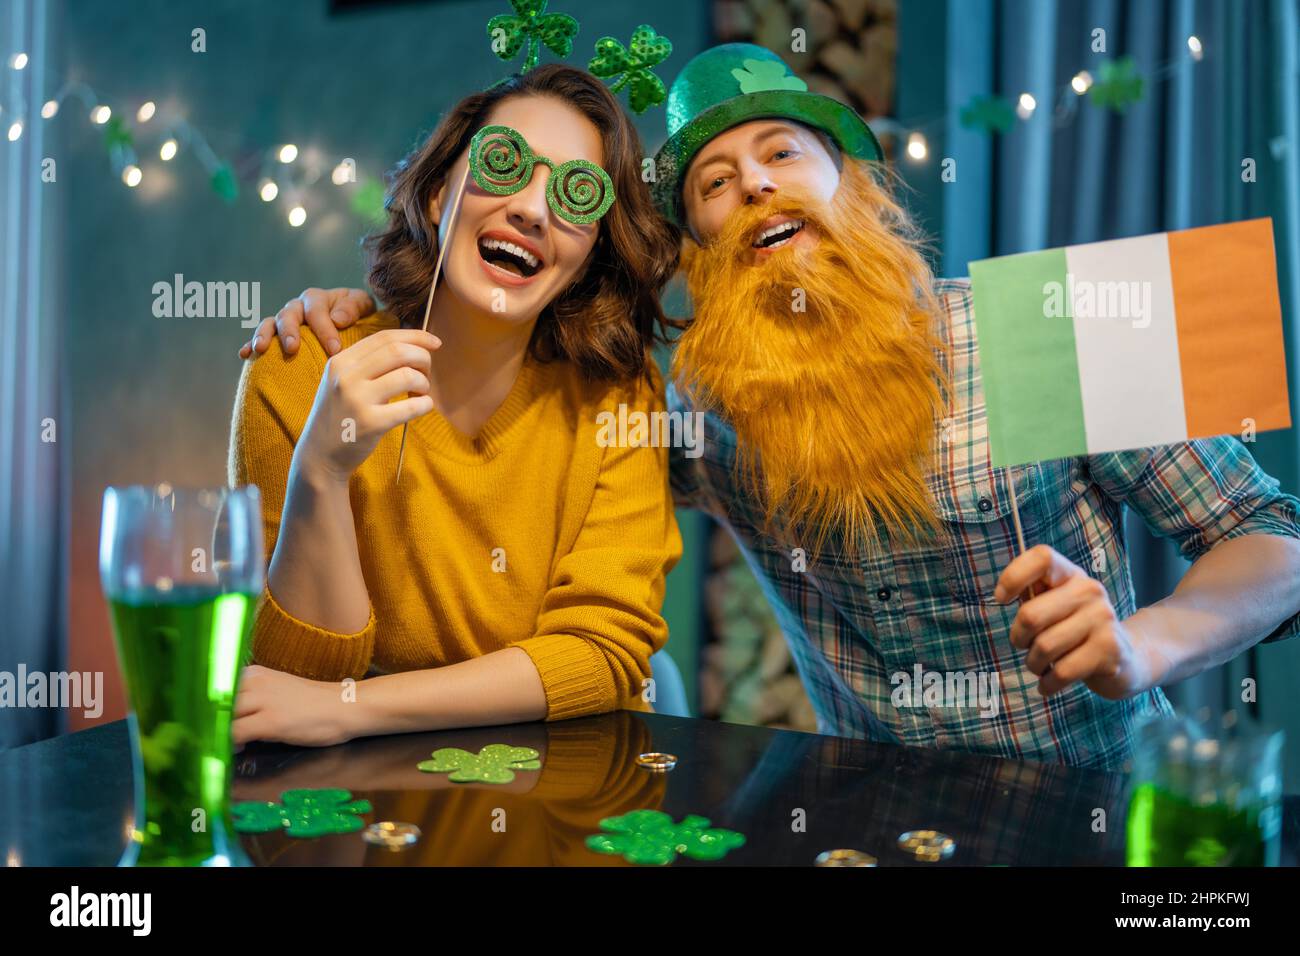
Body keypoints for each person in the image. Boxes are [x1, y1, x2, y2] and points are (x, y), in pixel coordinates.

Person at [246, 44, 1300, 770]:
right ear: (699, 254)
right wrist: (360, 305)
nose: (753, 185)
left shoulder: (1058, 321)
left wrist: (1143, 642)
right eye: (712, 182)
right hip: (863, 809)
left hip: (1106, 809)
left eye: (783, 153)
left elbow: (1275, 538)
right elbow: (521, 418)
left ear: (857, 188)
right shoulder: (696, 413)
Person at [227, 63, 682, 748]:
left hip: (558, 799)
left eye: (576, 193)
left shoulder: (621, 395)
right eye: (504, 164)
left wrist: (354, 708)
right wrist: (321, 472)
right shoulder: (299, 370)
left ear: (588, 255)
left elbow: (602, 652)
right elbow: (298, 676)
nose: (532, 209)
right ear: (439, 194)